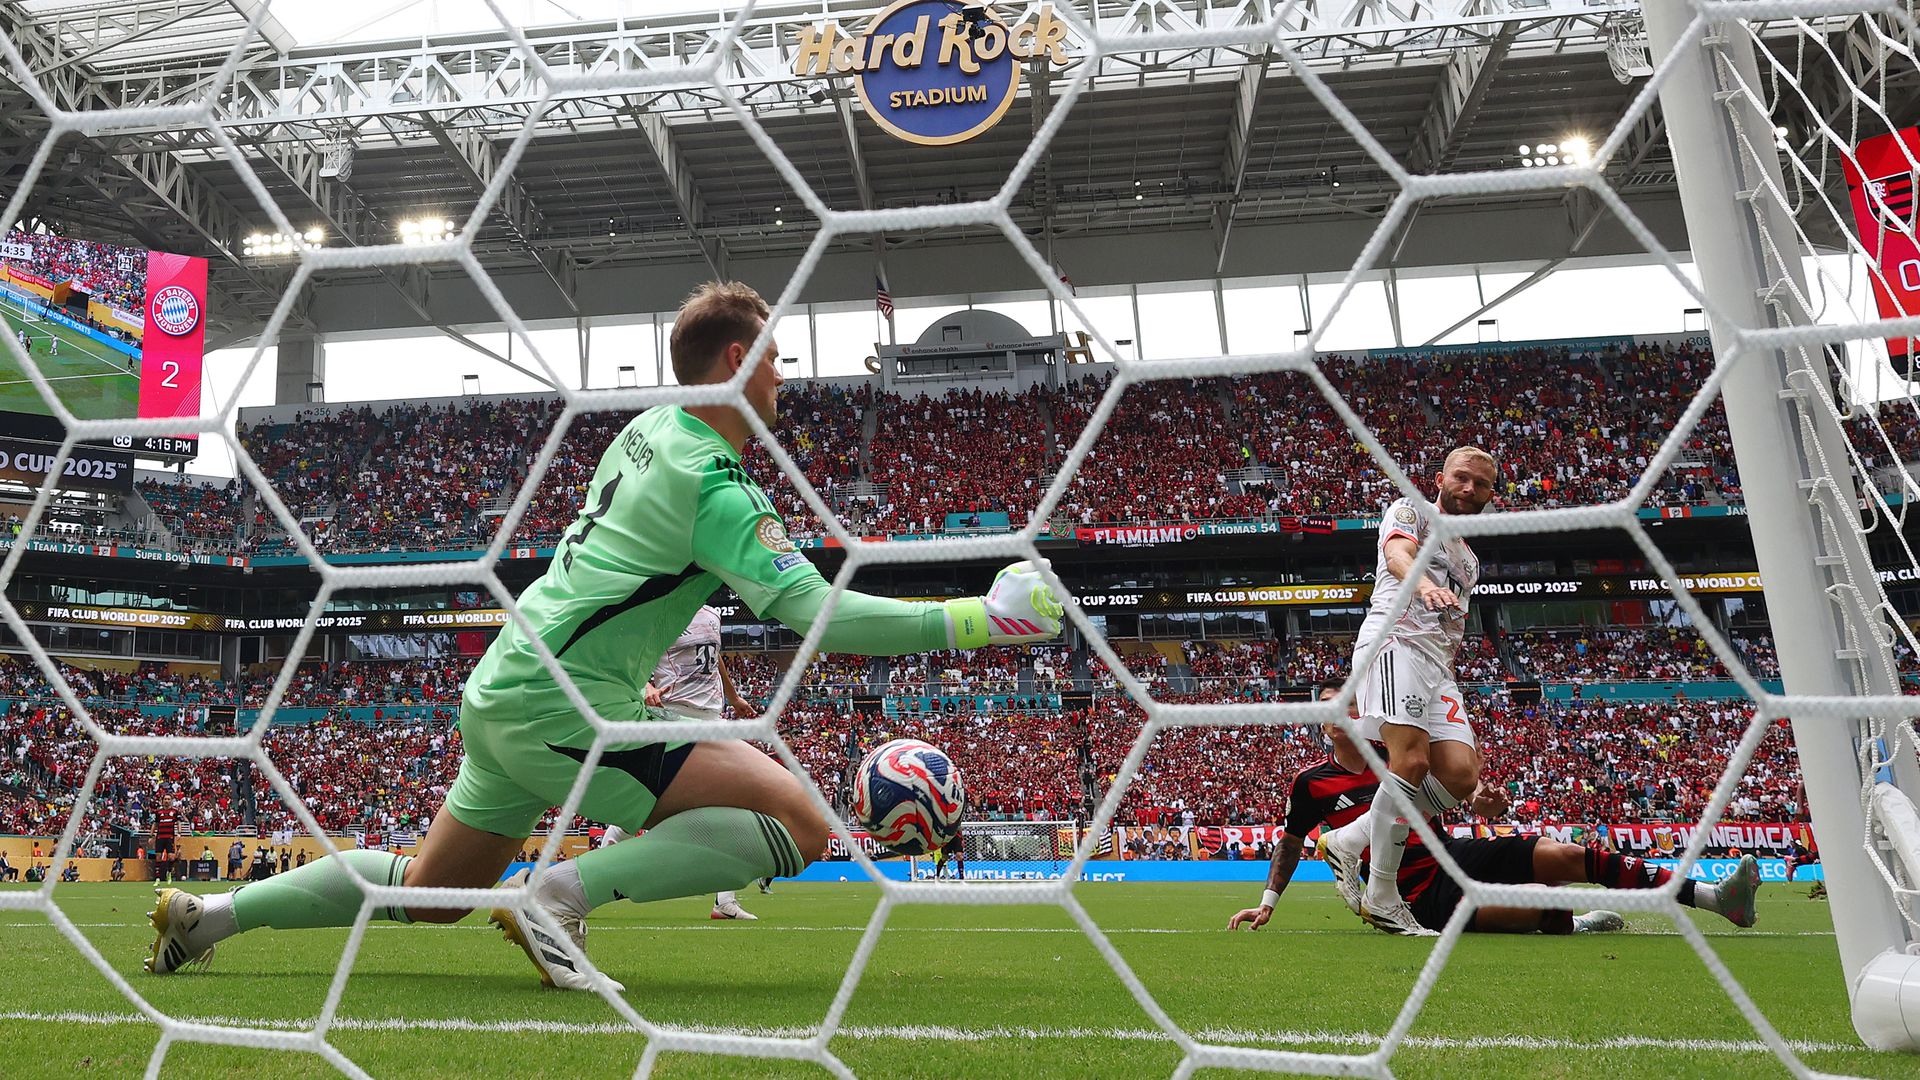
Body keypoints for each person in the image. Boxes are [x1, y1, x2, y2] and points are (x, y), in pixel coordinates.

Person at [144, 280, 1067, 992]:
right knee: (802, 819)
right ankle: (557, 897)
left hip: (515, 682)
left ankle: (211, 917)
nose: (785, 381)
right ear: (738, 360)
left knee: (428, 890)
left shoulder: (645, 432)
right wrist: (983, 618)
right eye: (776, 362)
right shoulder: (715, 484)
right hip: (565, 703)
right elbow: (818, 615)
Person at [1229, 689, 1760, 934]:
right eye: (1328, 706)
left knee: (1566, 856)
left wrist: (1479, 798)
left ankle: (1715, 898)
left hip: (1452, 852)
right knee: (1531, 908)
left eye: (1348, 702)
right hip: (1411, 893)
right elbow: (1292, 841)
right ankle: (1574, 924)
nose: (1340, 712)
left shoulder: (1405, 754)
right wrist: (1268, 902)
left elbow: (1457, 792)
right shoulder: (1312, 783)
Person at [1320, 447, 1497, 936]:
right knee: (1412, 763)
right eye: (1461, 478)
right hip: (1395, 641)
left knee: (1460, 777)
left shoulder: (1470, 562)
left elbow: (1454, 625)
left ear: (1489, 495)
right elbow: (1397, 552)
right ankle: (1382, 895)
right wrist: (1420, 585)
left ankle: (1350, 839)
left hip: (1437, 665)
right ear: (1440, 478)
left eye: (1479, 485)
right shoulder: (1409, 510)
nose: (1468, 489)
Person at [598, 603, 764, 920]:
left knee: (735, 805)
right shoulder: (661, 611)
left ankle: (725, 901)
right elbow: (629, 659)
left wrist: (734, 697)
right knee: (643, 802)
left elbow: (716, 662)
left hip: (711, 719)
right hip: (671, 717)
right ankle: (586, 880)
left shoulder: (713, 614)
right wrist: (644, 686)